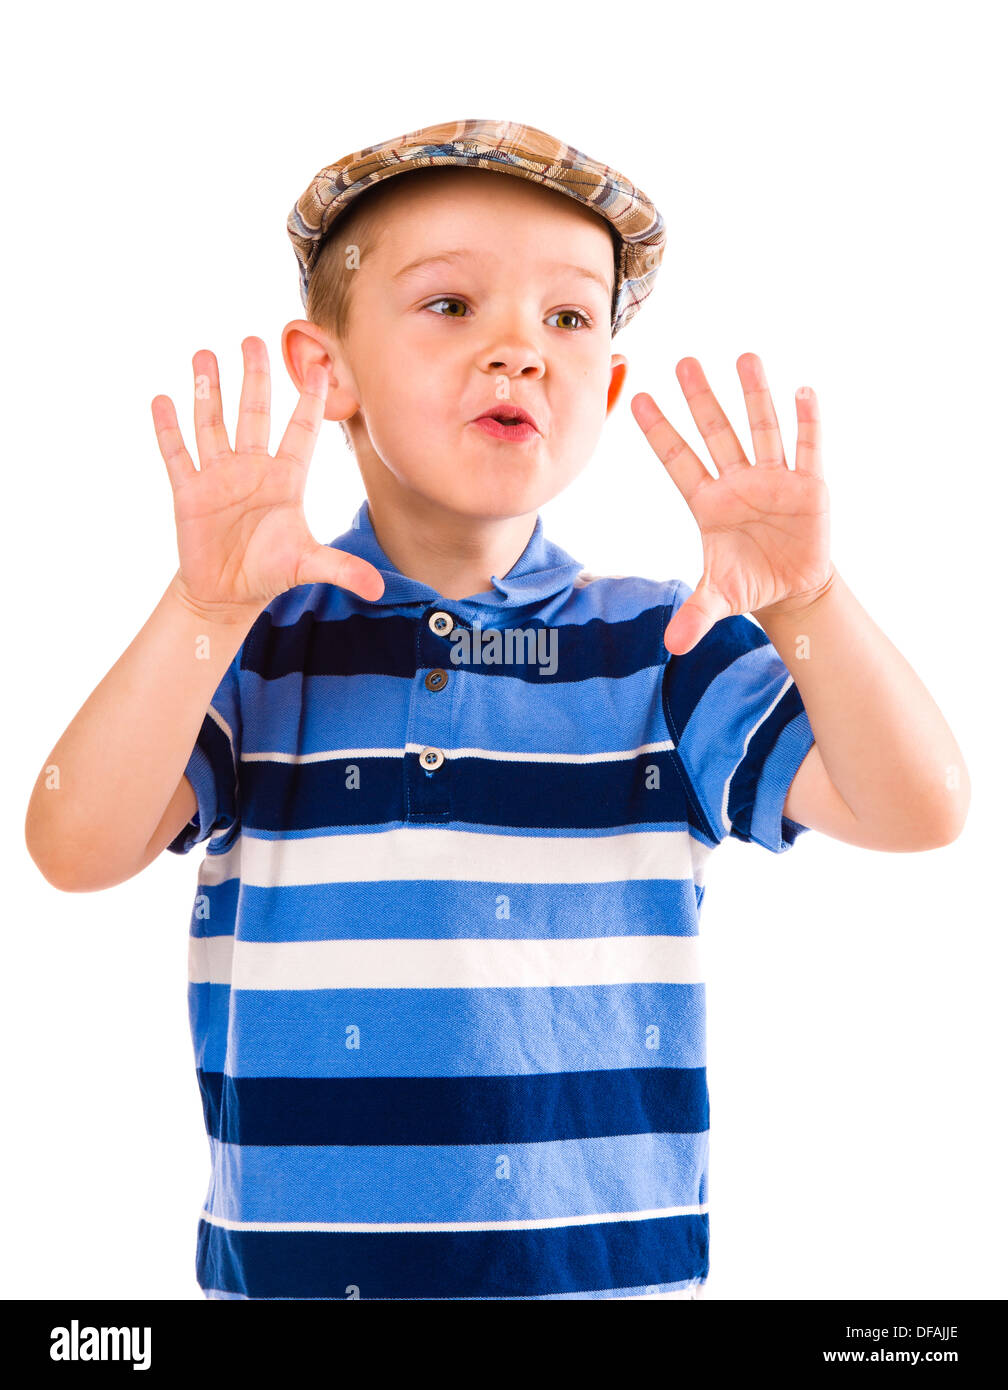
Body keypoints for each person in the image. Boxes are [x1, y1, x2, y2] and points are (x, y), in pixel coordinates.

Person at [24, 118, 970, 1301]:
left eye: (568, 319)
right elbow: (74, 843)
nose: (520, 350)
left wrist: (812, 602)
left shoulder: (660, 644)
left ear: (607, 386)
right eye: (451, 306)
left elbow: (922, 805)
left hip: (599, 1281)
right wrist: (200, 608)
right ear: (331, 374)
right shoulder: (262, 646)